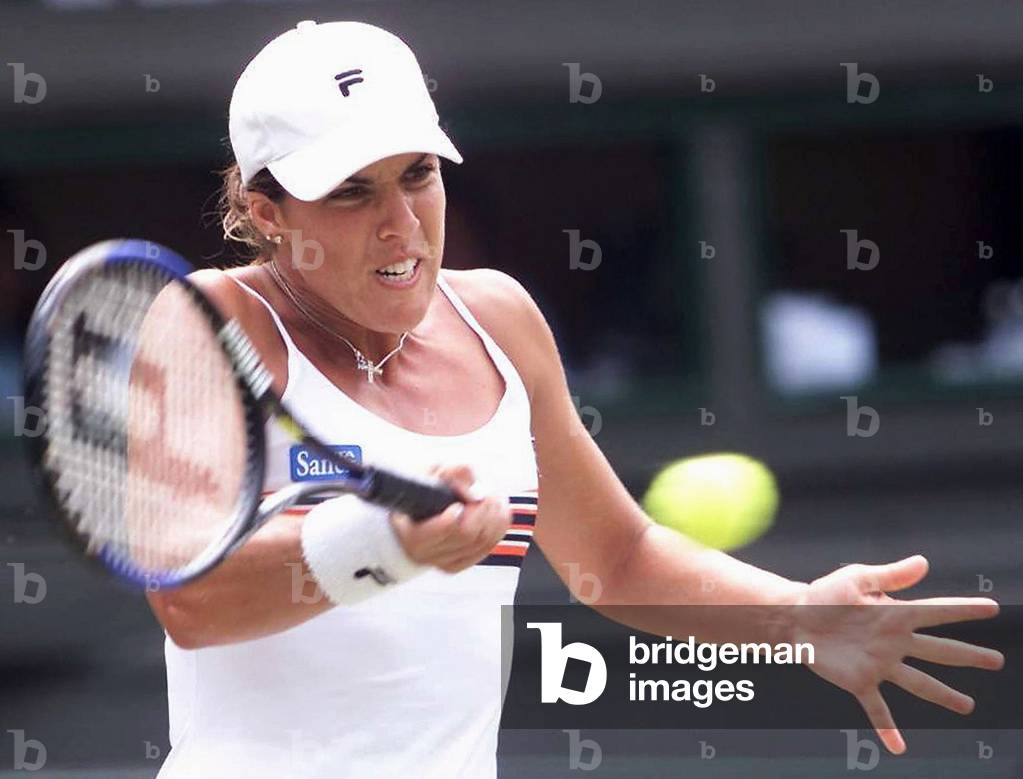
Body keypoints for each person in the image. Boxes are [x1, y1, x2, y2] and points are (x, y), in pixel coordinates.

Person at [145, 20, 1003, 778]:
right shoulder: (211, 326)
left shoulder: (499, 318)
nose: (401, 225)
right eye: (349, 192)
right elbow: (192, 599)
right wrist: (386, 537)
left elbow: (616, 556)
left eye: (417, 174)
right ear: (267, 214)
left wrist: (797, 617)